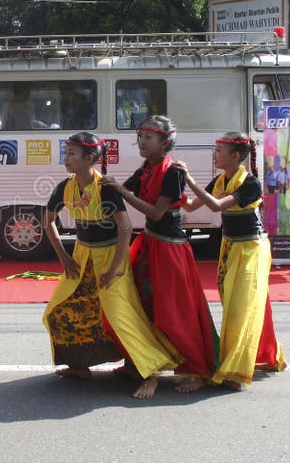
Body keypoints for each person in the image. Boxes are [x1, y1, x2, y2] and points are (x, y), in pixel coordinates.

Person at [43, 132, 183, 399]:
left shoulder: (105, 188)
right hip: (82, 257)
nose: (66, 158)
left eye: (72, 154)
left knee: (121, 316)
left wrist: (117, 267)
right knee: (59, 310)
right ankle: (80, 366)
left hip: (110, 258)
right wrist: (64, 257)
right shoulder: (65, 187)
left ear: (90, 159)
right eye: (67, 153)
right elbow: (48, 220)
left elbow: (126, 228)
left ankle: (149, 373)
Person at [107, 115, 218, 393]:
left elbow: (155, 211)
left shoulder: (173, 172)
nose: (142, 142)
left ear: (165, 142)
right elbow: (123, 191)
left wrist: (119, 189)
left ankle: (196, 370)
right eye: (141, 136)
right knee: (142, 305)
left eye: (148, 137)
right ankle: (140, 361)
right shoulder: (147, 168)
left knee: (175, 312)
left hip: (170, 248)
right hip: (150, 243)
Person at [176, 132, 286, 389]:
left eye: (219, 151)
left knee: (241, 310)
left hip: (252, 249)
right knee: (241, 307)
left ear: (235, 156)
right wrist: (174, 187)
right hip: (230, 247)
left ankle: (236, 370)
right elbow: (192, 206)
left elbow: (216, 206)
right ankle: (265, 353)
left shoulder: (250, 183)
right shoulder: (222, 178)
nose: (215, 155)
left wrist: (189, 179)